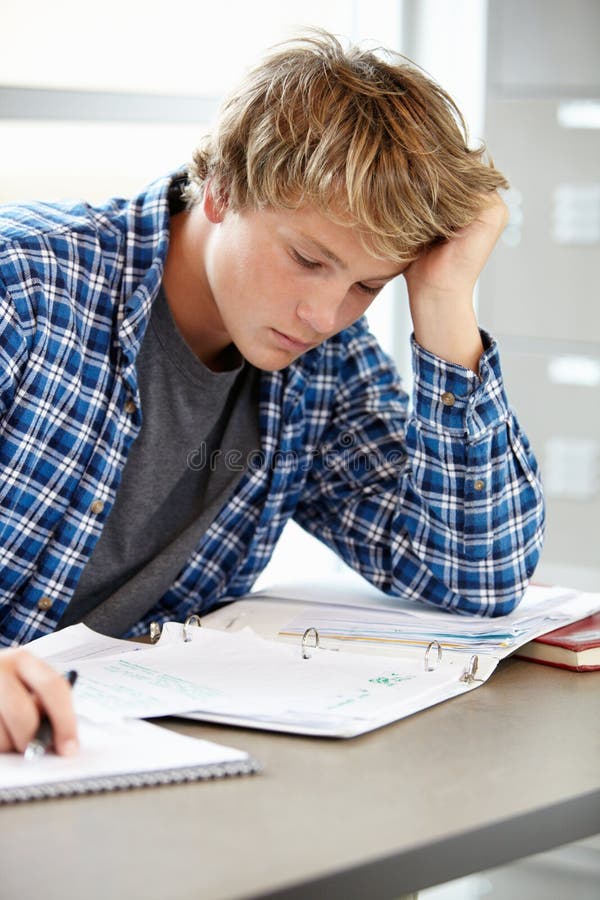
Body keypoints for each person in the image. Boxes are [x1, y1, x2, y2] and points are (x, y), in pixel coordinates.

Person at [0, 32, 544, 755]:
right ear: (223, 189)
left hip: (110, 758)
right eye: (307, 259)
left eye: (365, 286)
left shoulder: (325, 369)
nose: (324, 316)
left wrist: (444, 300)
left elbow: (479, 575)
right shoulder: (24, 294)